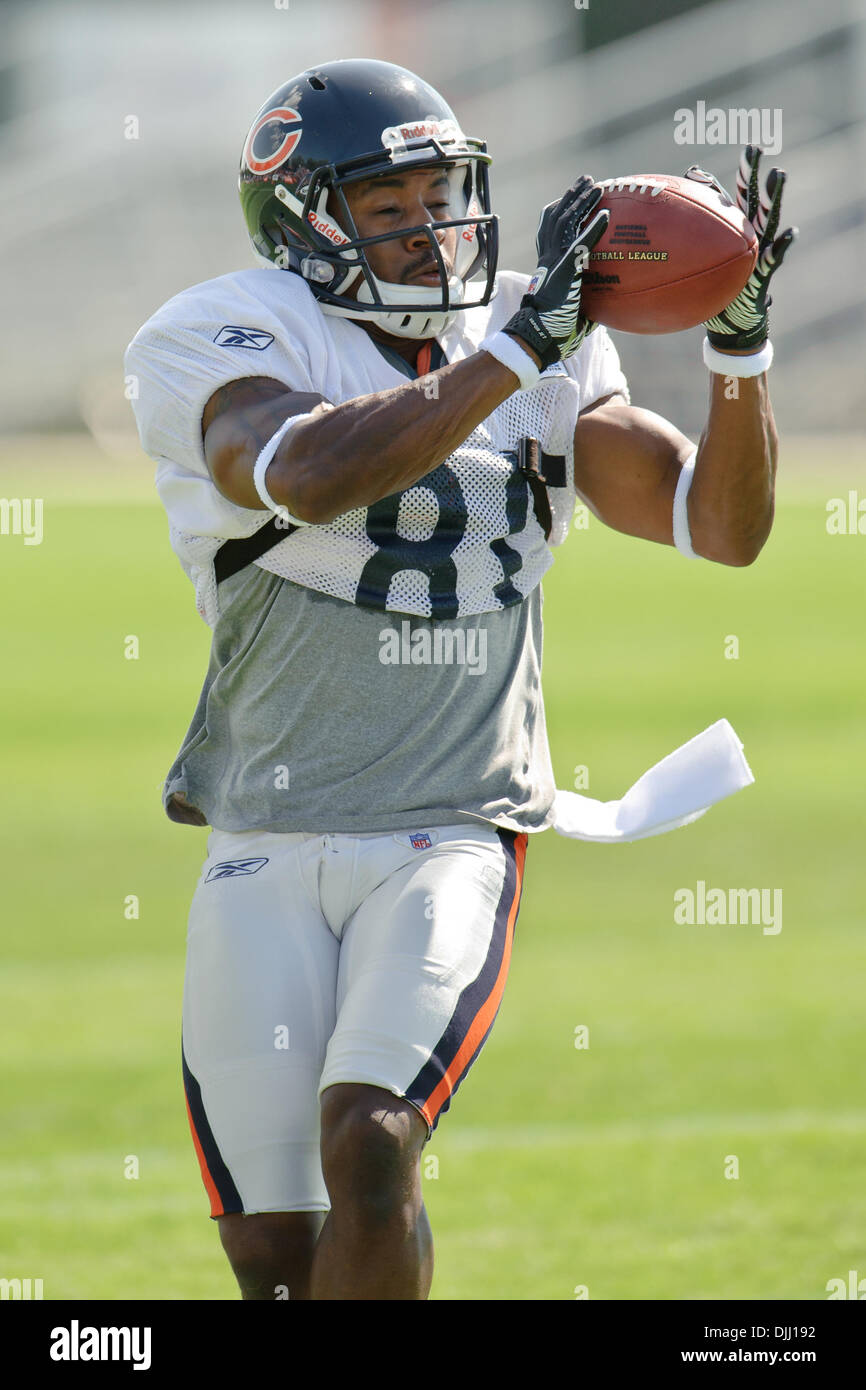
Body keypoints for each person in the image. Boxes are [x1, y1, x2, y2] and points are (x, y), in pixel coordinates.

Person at [124, 58, 794, 1301]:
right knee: (271, 1252)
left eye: (442, 191)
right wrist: (509, 349)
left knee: (372, 1143)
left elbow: (720, 523)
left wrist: (736, 345)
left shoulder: (531, 339)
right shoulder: (219, 332)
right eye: (388, 206)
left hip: (451, 825)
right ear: (303, 224)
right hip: (264, 833)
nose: (432, 227)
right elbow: (303, 473)